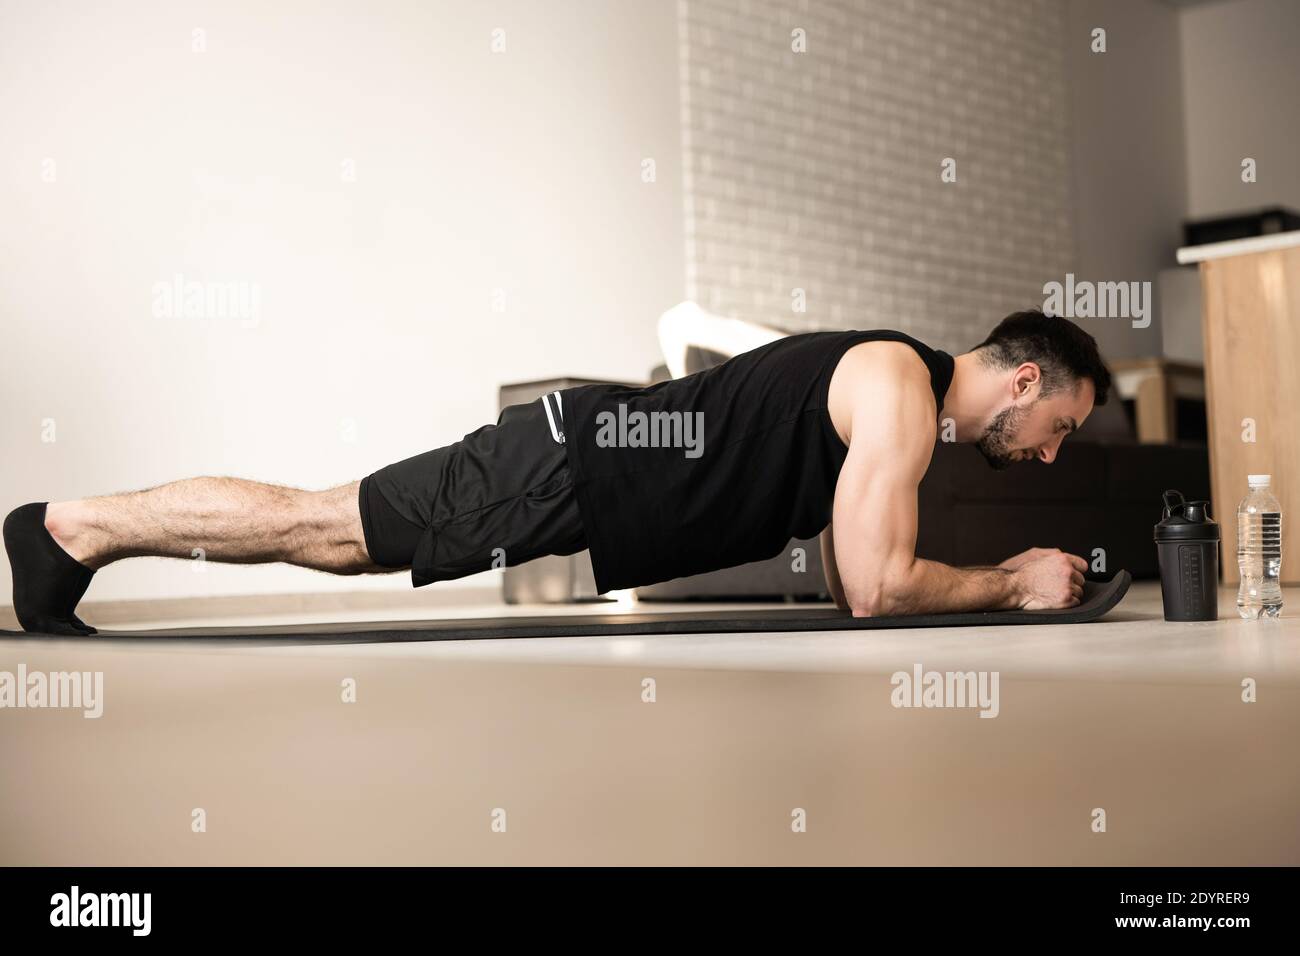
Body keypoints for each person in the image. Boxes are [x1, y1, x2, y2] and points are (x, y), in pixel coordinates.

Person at [3, 308, 1109, 635]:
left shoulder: (890, 385)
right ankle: (71, 528)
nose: (1052, 450)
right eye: (1060, 424)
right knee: (326, 527)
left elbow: (840, 578)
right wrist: (1010, 582)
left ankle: (69, 537)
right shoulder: (900, 390)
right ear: (1022, 381)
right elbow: (872, 588)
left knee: (334, 535)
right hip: (568, 464)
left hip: (576, 464)